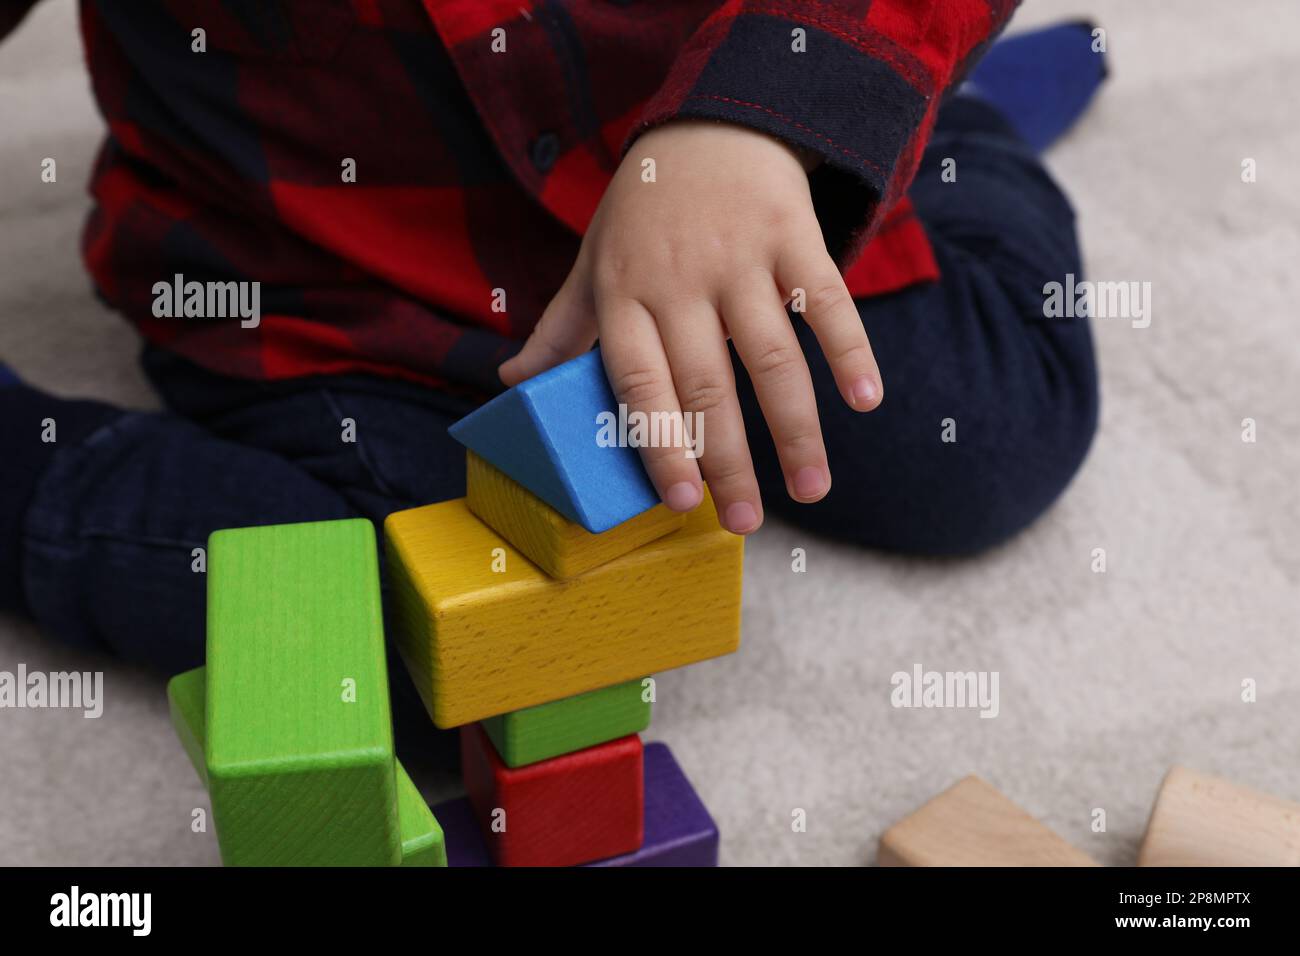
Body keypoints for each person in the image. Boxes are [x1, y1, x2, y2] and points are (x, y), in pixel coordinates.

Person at [0, 2, 1104, 754]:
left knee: (986, 443)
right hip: (325, 278)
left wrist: (791, 109)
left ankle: (938, 118)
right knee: (433, 649)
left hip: (731, 177)